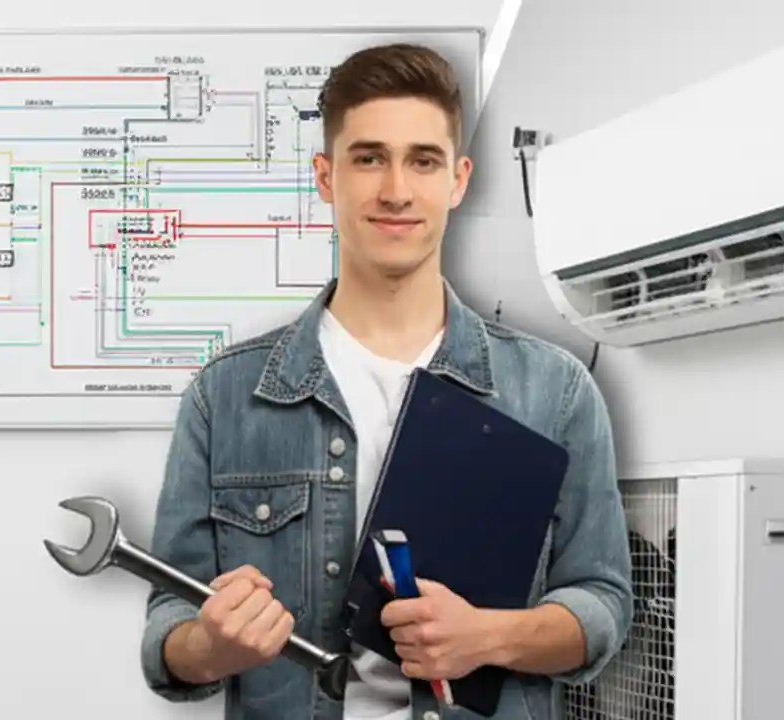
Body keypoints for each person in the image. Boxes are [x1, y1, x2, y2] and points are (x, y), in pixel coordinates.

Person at [141, 42, 634, 719]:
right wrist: (213, 645)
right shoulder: (224, 397)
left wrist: (489, 635)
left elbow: (603, 603)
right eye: (368, 157)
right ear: (325, 176)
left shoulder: (557, 392)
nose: (397, 189)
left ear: (458, 180)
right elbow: (170, 625)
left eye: (423, 161)